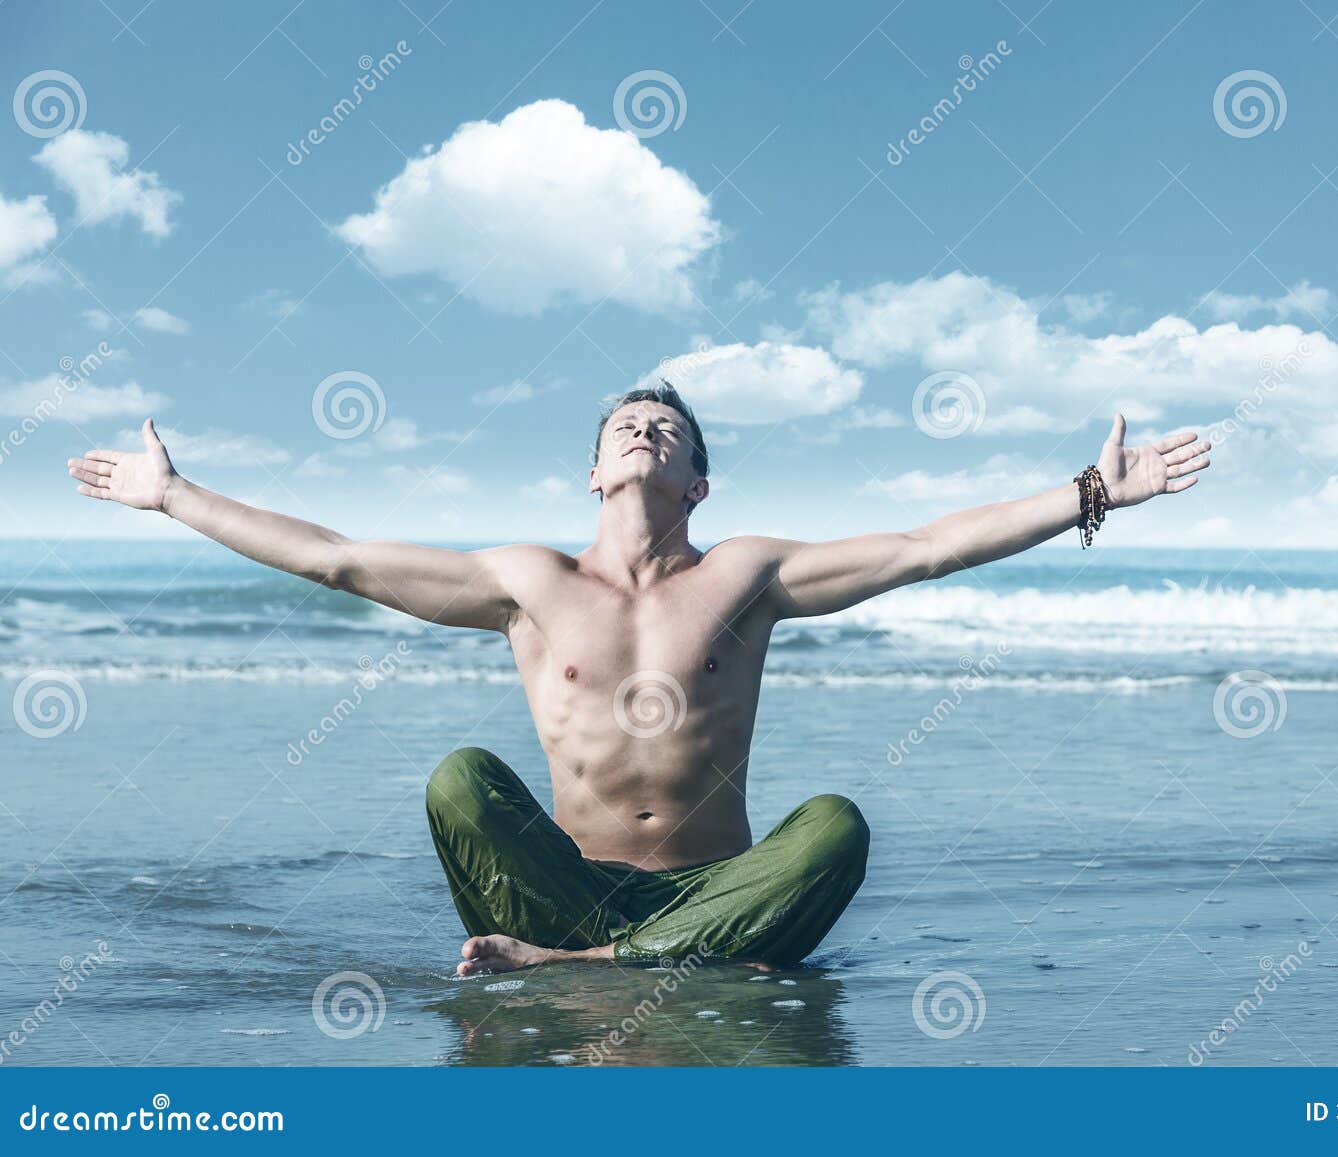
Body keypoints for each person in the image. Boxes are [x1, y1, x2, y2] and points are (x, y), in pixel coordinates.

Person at [67, 384, 1209, 972]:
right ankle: (590, 948)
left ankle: (583, 970)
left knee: (835, 825)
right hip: (566, 886)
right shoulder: (525, 578)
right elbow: (341, 558)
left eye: (668, 428)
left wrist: (1091, 492)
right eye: (627, 422)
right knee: (461, 776)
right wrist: (175, 495)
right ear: (595, 469)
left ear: (698, 481)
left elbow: (923, 546)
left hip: (720, 893)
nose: (645, 431)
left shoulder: (747, 573)